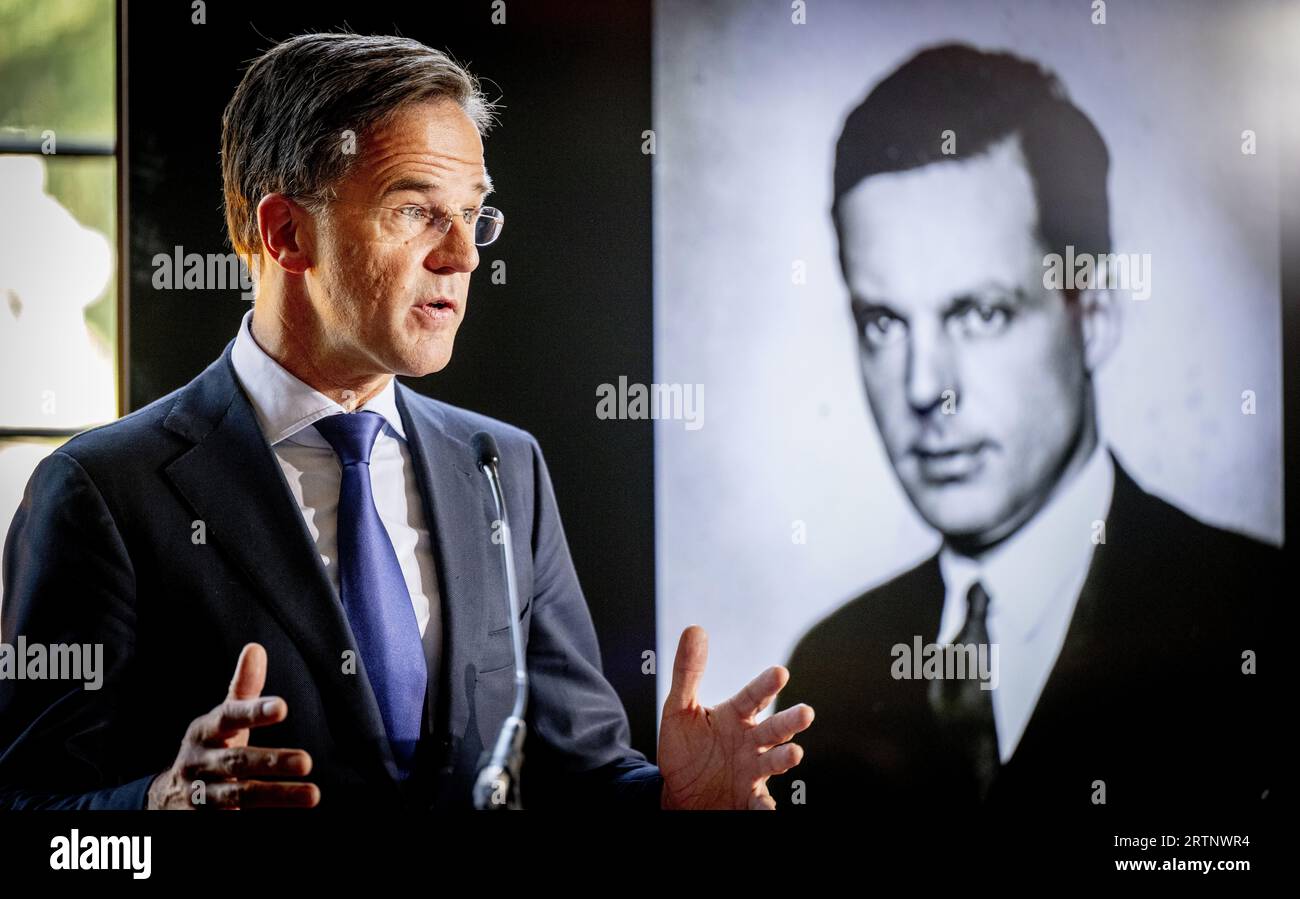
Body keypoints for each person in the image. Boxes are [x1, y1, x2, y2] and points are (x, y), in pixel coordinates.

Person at [0, 32, 813, 810]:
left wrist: (668, 799)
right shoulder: (102, 492)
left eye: (474, 215)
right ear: (286, 233)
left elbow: (578, 776)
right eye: (416, 212)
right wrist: (159, 804)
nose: (462, 256)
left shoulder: (504, 468)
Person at [772, 44, 1276, 811]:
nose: (923, 387)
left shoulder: (1261, 621)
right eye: (883, 323)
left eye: (979, 314)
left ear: (1095, 316)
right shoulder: (829, 670)